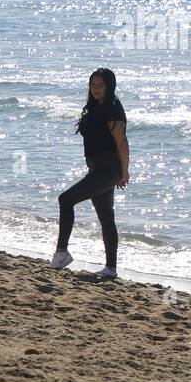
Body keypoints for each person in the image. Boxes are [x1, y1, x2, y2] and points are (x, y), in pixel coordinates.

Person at [49, 68, 130, 279]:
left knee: (66, 199)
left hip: (108, 169)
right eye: (93, 85)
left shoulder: (112, 109)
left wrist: (124, 172)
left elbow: (121, 142)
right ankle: (111, 269)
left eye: (100, 85)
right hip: (97, 168)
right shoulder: (95, 107)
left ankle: (61, 253)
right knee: (106, 218)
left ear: (109, 86)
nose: (95, 89)